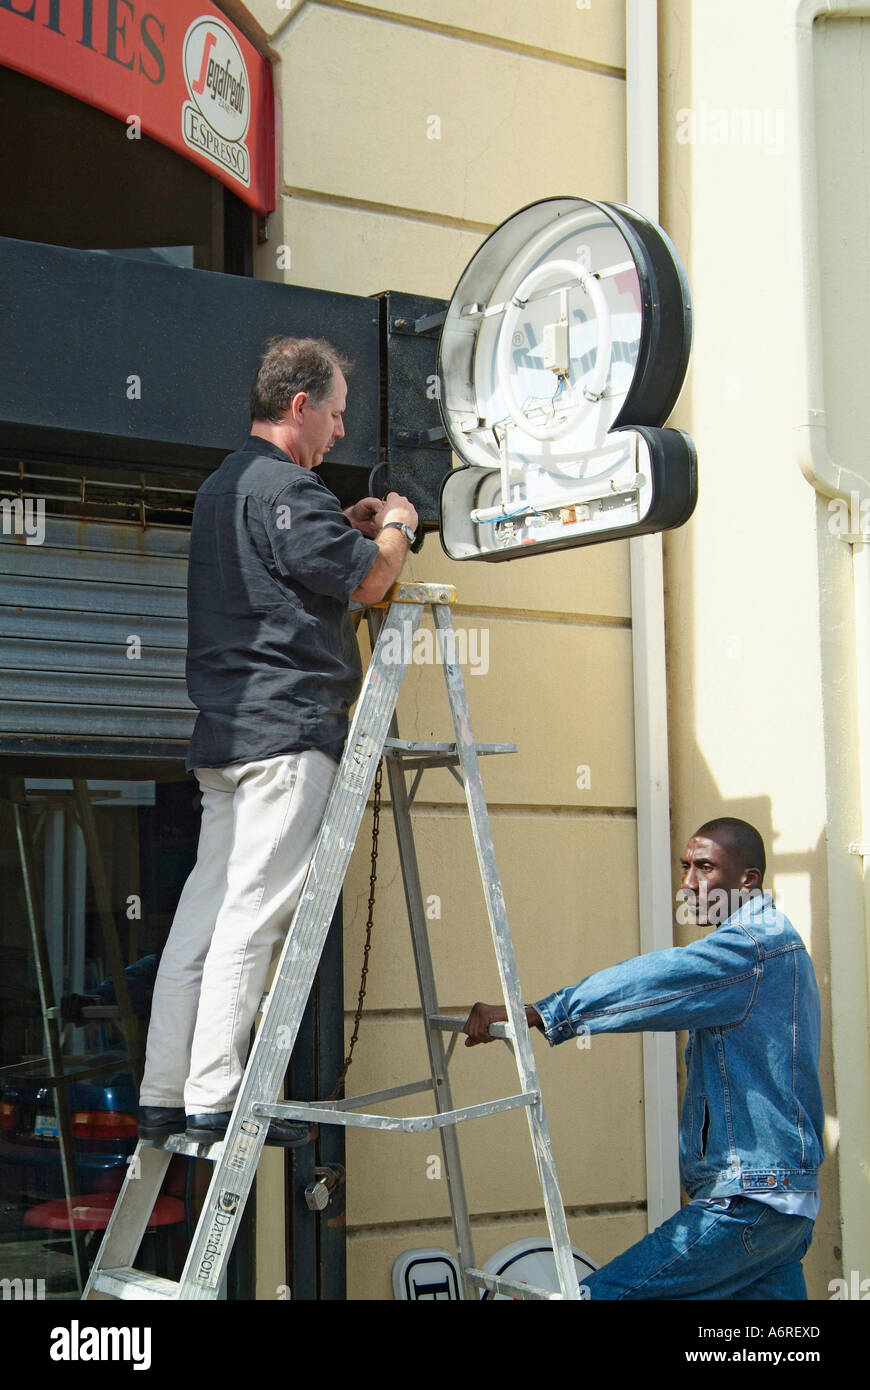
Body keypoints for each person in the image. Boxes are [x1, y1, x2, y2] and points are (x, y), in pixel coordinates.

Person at [138, 336, 419, 1146]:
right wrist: (396, 526)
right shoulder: (288, 487)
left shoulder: (227, 487)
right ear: (299, 407)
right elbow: (370, 581)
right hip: (287, 740)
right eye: (333, 415)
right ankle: (220, 1104)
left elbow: (309, 561)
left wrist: (351, 526)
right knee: (253, 921)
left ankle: (166, 1096)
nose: (338, 432)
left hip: (230, 740)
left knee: (205, 919)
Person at [463, 817, 825, 1299]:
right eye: (684, 867)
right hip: (784, 1211)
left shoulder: (751, 949)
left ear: (747, 880)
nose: (688, 883)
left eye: (704, 868)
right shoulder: (775, 943)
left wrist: (542, 1012)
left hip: (749, 1201)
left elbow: (657, 980)